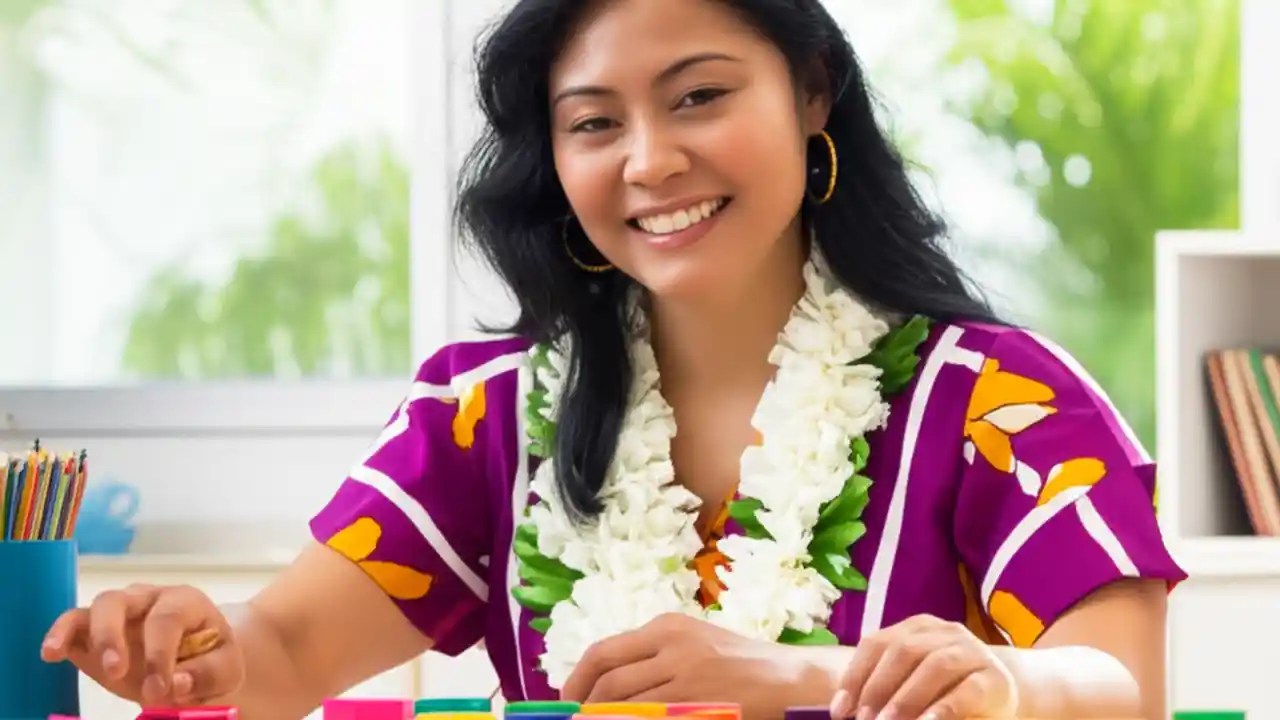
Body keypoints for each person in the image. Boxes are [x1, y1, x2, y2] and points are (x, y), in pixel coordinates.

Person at [41, 1, 1186, 719]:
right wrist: (196, 645)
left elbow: (1119, 691)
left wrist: (833, 680)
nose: (649, 161)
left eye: (698, 96)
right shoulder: (482, 414)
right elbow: (284, 649)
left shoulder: (1001, 400)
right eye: (593, 123)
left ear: (811, 94)